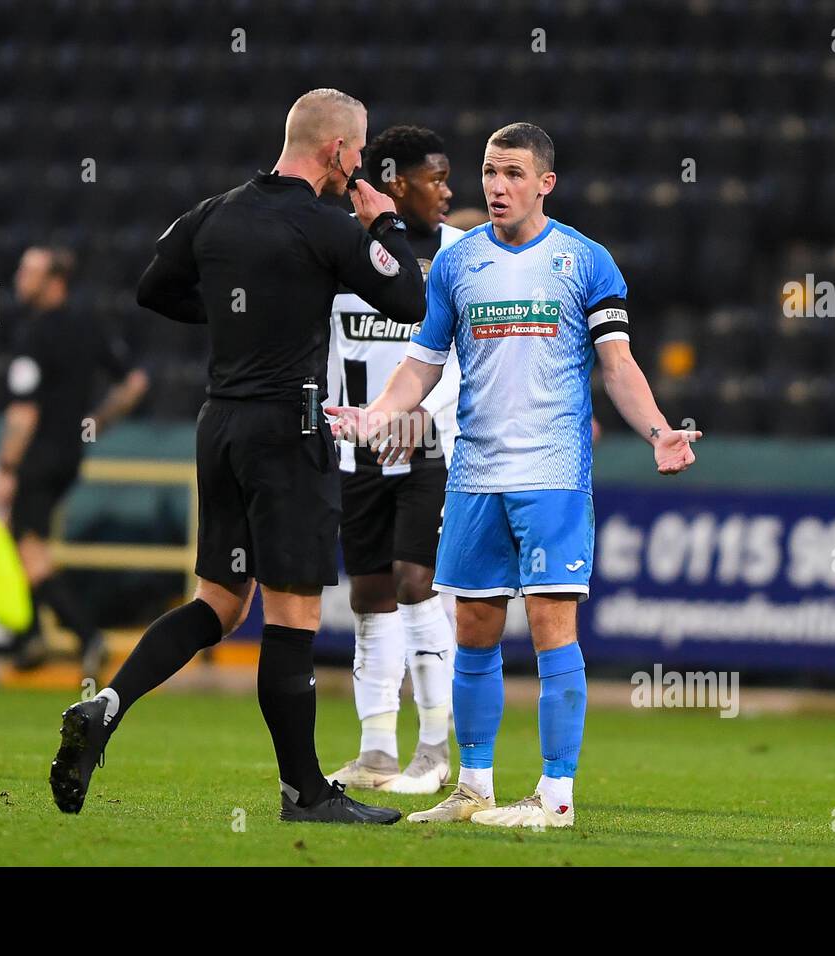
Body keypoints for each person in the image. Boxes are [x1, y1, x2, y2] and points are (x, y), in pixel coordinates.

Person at [49, 89, 425, 825]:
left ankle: (107, 703)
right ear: (339, 154)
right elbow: (408, 297)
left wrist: (226, 313)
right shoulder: (326, 225)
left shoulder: (215, 211)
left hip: (218, 424)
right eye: (360, 149)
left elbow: (154, 287)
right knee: (291, 617)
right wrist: (380, 215)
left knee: (219, 604)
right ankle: (304, 794)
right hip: (289, 430)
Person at [328, 123, 701, 829]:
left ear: (544, 183)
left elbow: (617, 365)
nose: (496, 186)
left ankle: (556, 797)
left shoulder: (585, 261)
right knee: (471, 624)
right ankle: (473, 788)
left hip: (551, 472)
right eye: (489, 172)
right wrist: (378, 414)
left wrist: (658, 432)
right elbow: (424, 362)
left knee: (552, 626)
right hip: (474, 473)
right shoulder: (457, 263)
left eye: (512, 174)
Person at [323, 125, 462, 795]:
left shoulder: (465, 255)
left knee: (416, 582)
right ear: (397, 183)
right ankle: (377, 747)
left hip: (432, 444)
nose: (449, 190)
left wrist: (428, 413)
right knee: (371, 593)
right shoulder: (342, 249)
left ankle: (434, 748)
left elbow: (473, 352)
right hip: (355, 447)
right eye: (436, 178)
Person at [0, 246, 149, 678]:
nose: (20, 279)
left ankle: (83, 636)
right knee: (21, 535)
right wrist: (96, 423)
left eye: (30, 272)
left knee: (30, 548)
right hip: (69, 455)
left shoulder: (35, 334)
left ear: (54, 280)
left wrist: (6, 468)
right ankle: (29, 638)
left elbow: (23, 412)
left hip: (37, 457)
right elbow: (134, 382)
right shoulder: (88, 325)